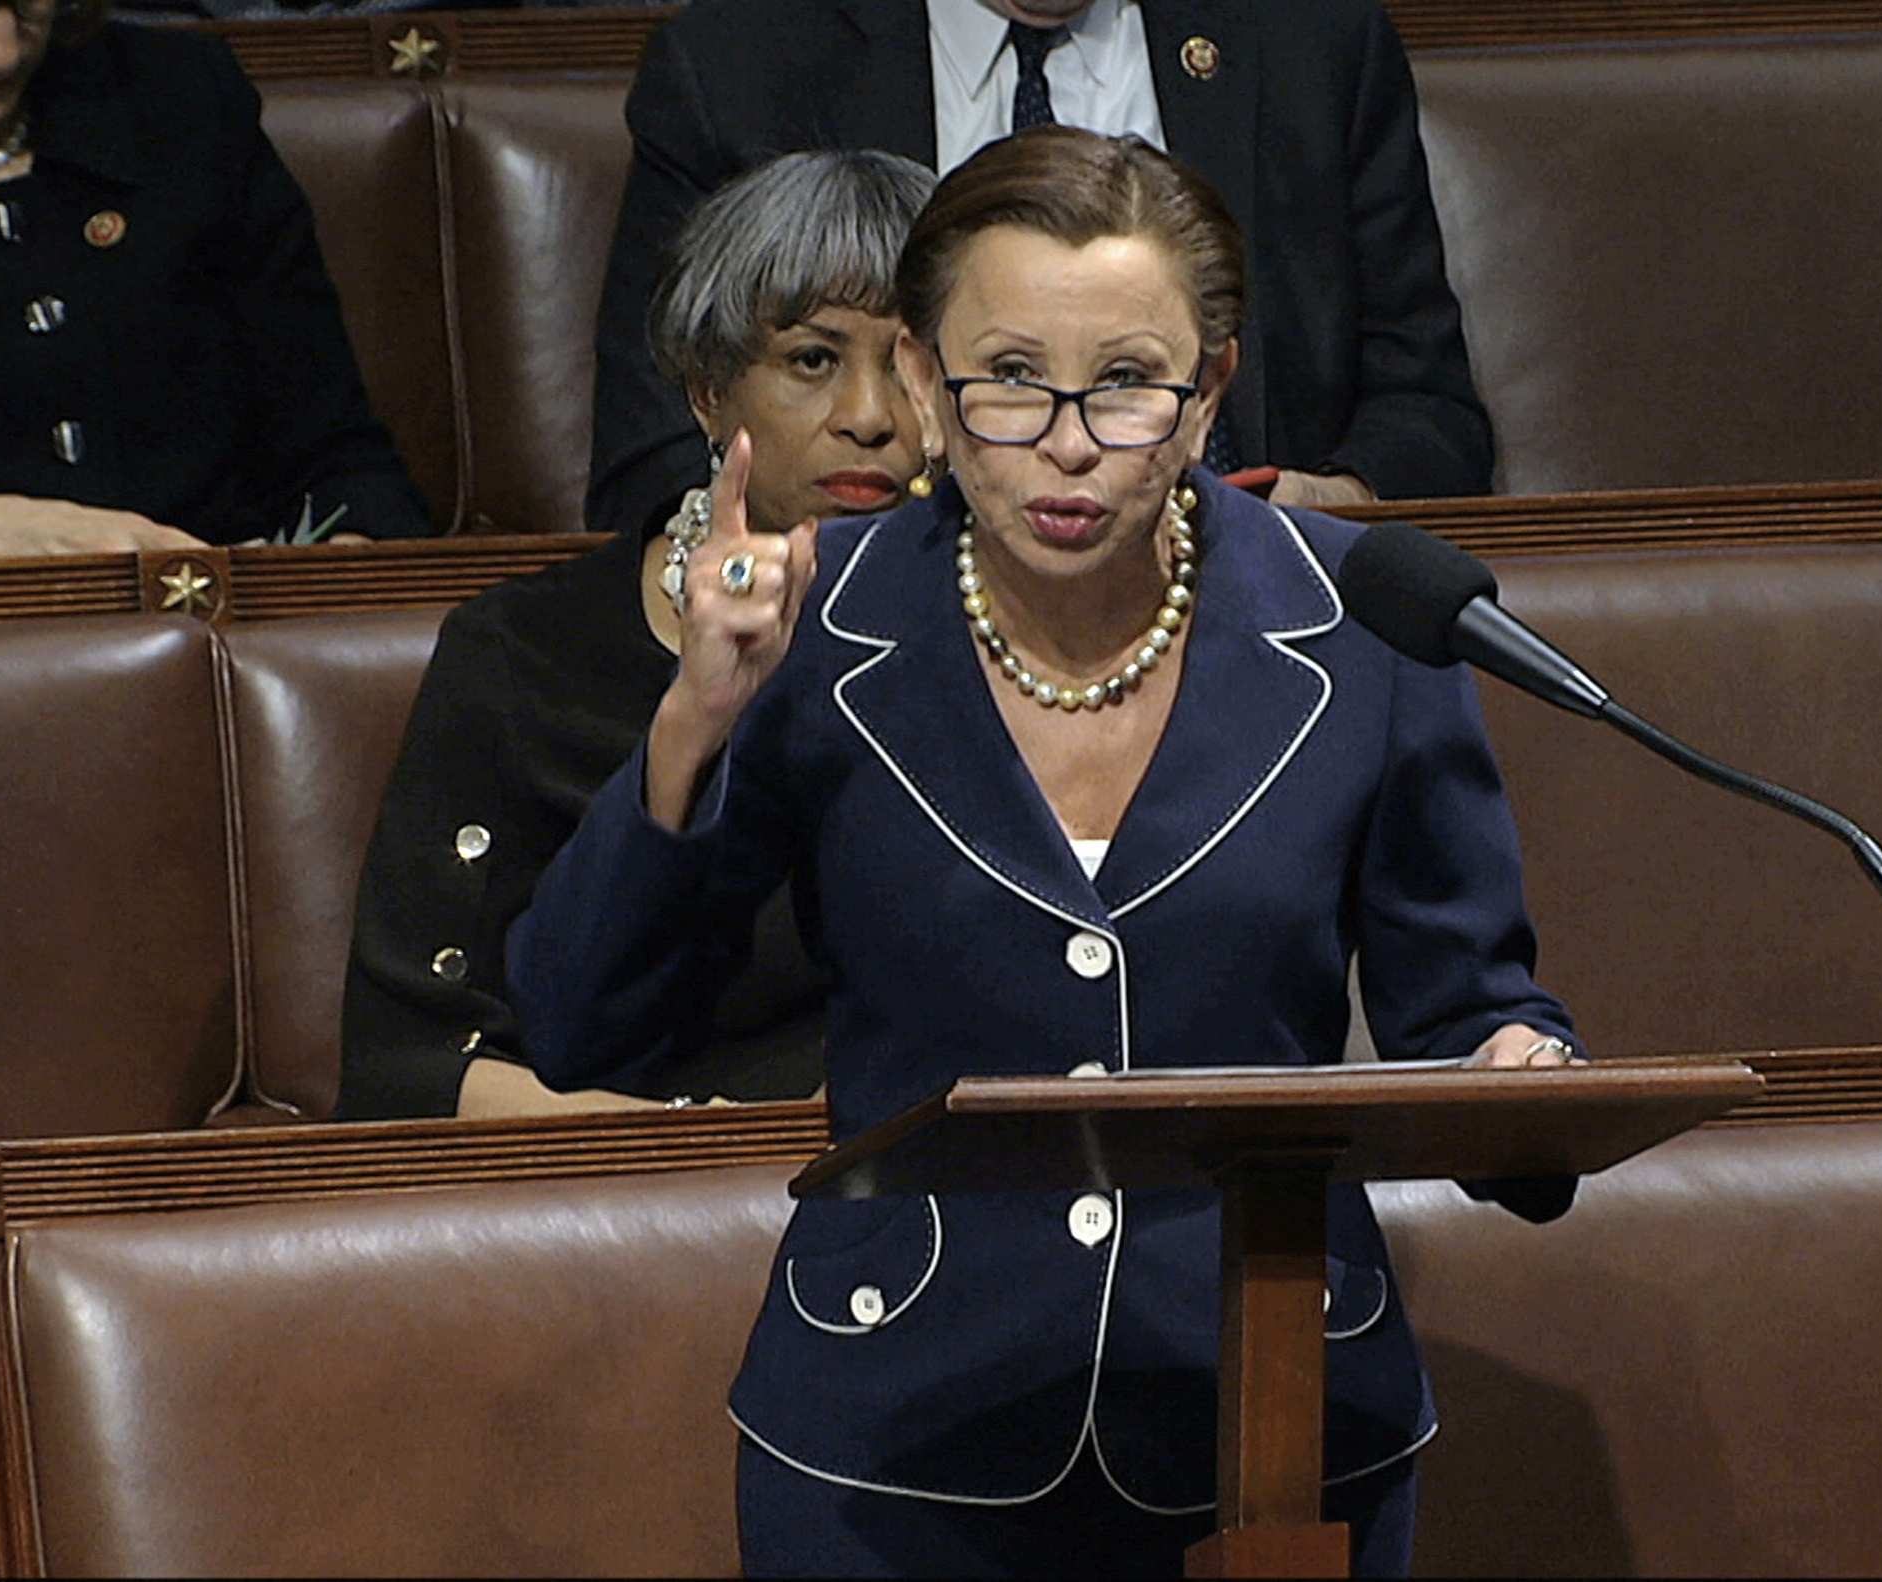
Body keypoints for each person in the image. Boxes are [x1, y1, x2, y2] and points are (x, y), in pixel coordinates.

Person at [507, 126, 1578, 1577]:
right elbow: (581, 1023)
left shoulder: (1363, 629)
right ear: (930, 388)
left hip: (1268, 1428)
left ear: (1206, 391)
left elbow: (1469, 1008)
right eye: (1008, 378)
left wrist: (1511, 1068)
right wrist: (695, 713)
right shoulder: (820, 629)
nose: (1065, 440)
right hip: (897, 1436)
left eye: (1125, 383)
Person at [338, 149, 937, 1121]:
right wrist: (716, 1170)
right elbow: (406, 1070)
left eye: (912, 364)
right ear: (708, 391)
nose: (871, 418)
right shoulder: (523, 653)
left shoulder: (1018, 639)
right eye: (813, 360)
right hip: (636, 1218)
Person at [582, 0, 1491, 547]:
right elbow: (653, 455)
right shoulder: (738, 63)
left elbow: (1429, 414)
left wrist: (1333, 503)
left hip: (1239, 610)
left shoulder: (1312, 41)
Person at [0, 0, 433, 562]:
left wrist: (334, 569)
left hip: (209, 628)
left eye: (32, 4)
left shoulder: (180, 98)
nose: (1, 50)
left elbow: (339, 457)